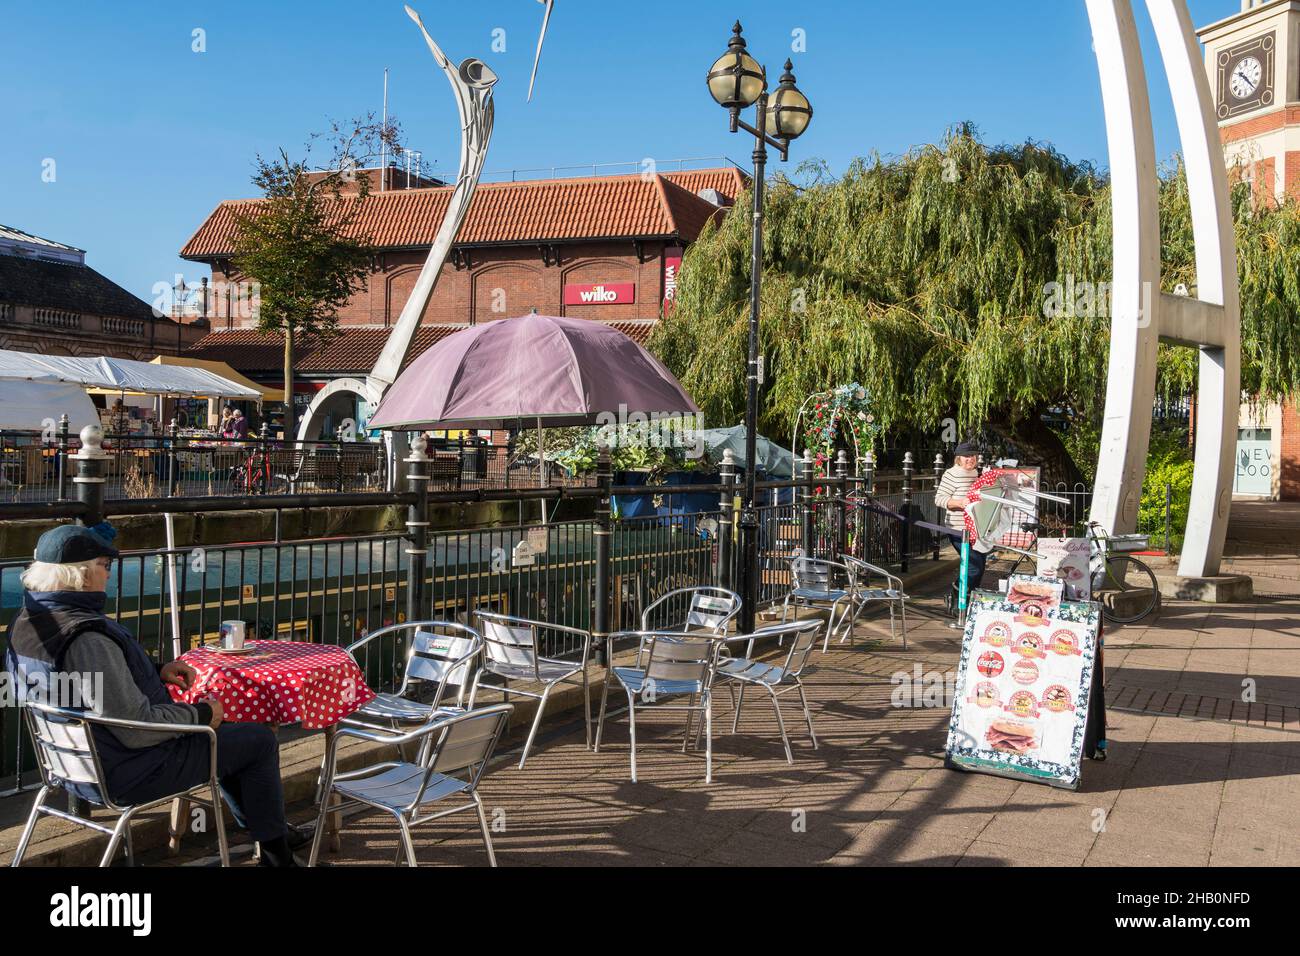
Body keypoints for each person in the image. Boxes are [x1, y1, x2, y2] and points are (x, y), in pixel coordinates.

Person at [3, 525, 302, 866]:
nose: (108, 575)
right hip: (130, 770)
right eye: (105, 565)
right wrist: (201, 715)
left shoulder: (29, 622)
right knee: (257, 740)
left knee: (232, 740)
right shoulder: (88, 637)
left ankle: (274, 834)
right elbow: (136, 727)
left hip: (70, 767)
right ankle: (280, 858)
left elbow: (80, 686)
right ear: (83, 576)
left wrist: (156, 669)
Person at [935, 441, 990, 613]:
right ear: (958, 458)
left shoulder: (977, 473)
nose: (970, 459)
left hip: (977, 527)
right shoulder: (951, 474)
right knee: (974, 566)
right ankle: (956, 595)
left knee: (980, 565)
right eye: (967, 456)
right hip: (958, 528)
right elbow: (939, 499)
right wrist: (960, 503)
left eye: (973, 456)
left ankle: (968, 603)